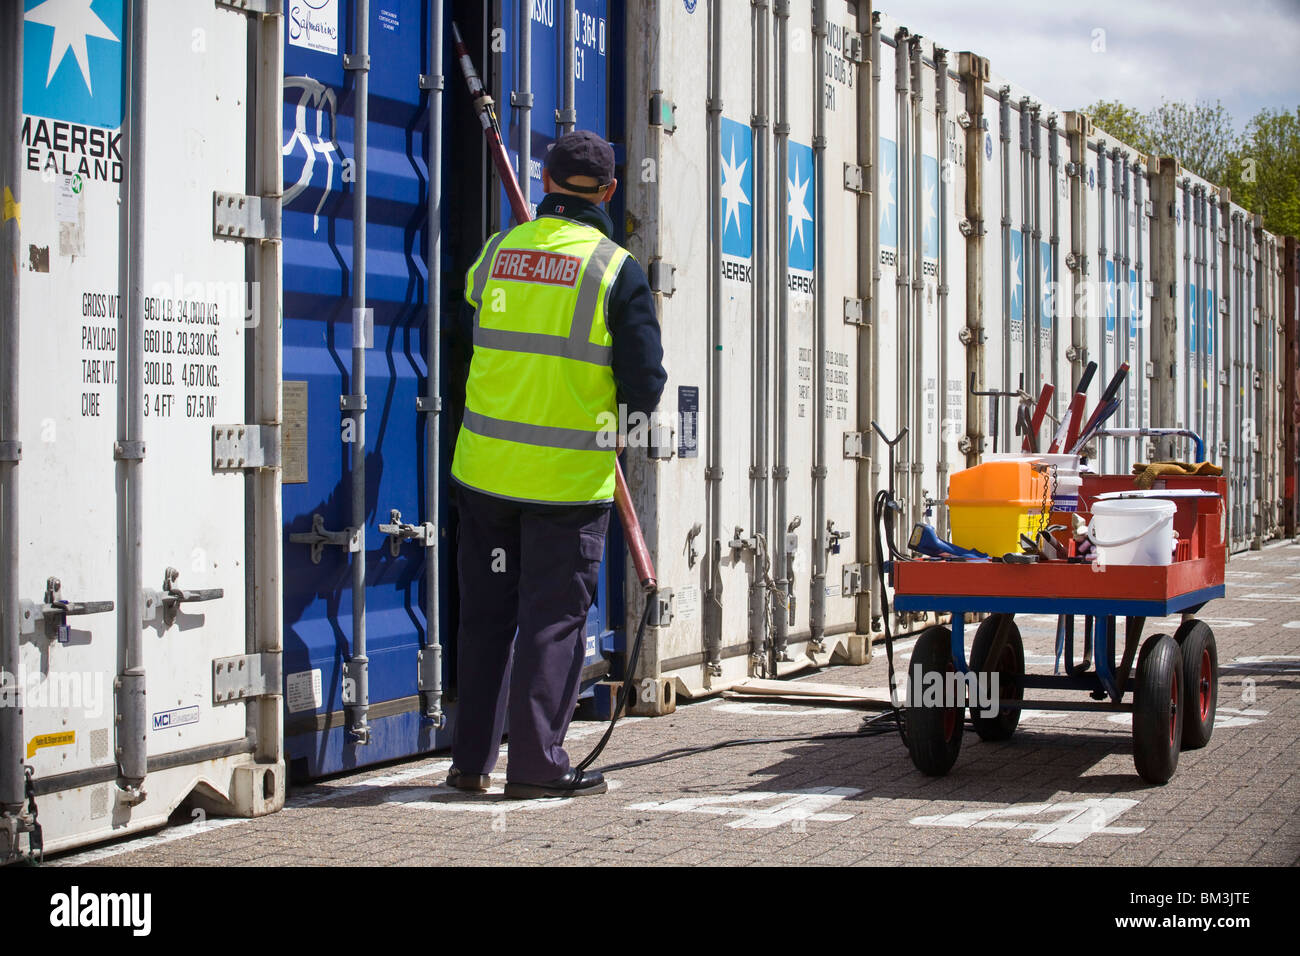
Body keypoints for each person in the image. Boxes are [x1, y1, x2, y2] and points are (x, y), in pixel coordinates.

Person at [447, 130, 667, 799]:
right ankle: (538, 766)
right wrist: (620, 434)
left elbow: (468, 345)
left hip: (485, 476)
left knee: (485, 620)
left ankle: (468, 765)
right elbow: (646, 381)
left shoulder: (495, 253)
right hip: (567, 485)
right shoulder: (615, 269)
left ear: (544, 183)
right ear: (606, 192)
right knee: (553, 620)